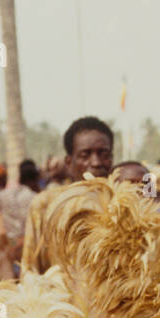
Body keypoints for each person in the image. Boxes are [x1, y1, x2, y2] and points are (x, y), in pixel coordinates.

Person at [21, 115, 114, 273]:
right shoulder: (46, 203)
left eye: (103, 154)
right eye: (85, 155)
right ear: (69, 161)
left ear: (111, 158)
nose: (96, 162)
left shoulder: (122, 205)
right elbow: (30, 267)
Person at [0, 157, 41, 279]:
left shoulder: (3, 194)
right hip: (30, 243)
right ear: (35, 179)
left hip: (10, 242)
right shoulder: (37, 198)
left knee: (9, 277)